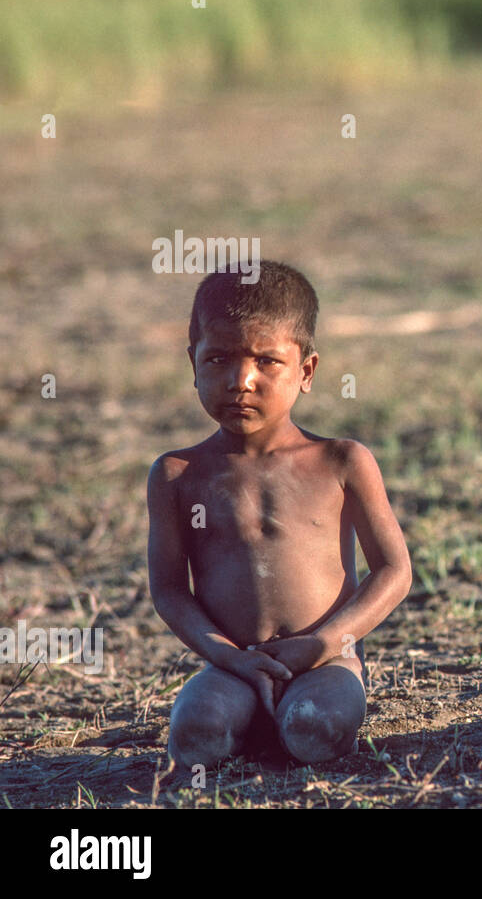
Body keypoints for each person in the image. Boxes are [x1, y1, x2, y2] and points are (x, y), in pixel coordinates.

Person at [148, 261, 411, 768]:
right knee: (195, 737)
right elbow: (170, 590)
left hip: (325, 664)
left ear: (306, 371)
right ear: (193, 363)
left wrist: (322, 644)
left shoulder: (341, 462)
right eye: (218, 359)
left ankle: (281, 722)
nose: (240, 380)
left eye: (267, 361)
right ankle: (249, 719)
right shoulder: (178, 475)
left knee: (314, 728)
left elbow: (394, 572)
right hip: (231, 668)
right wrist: (228, 657)